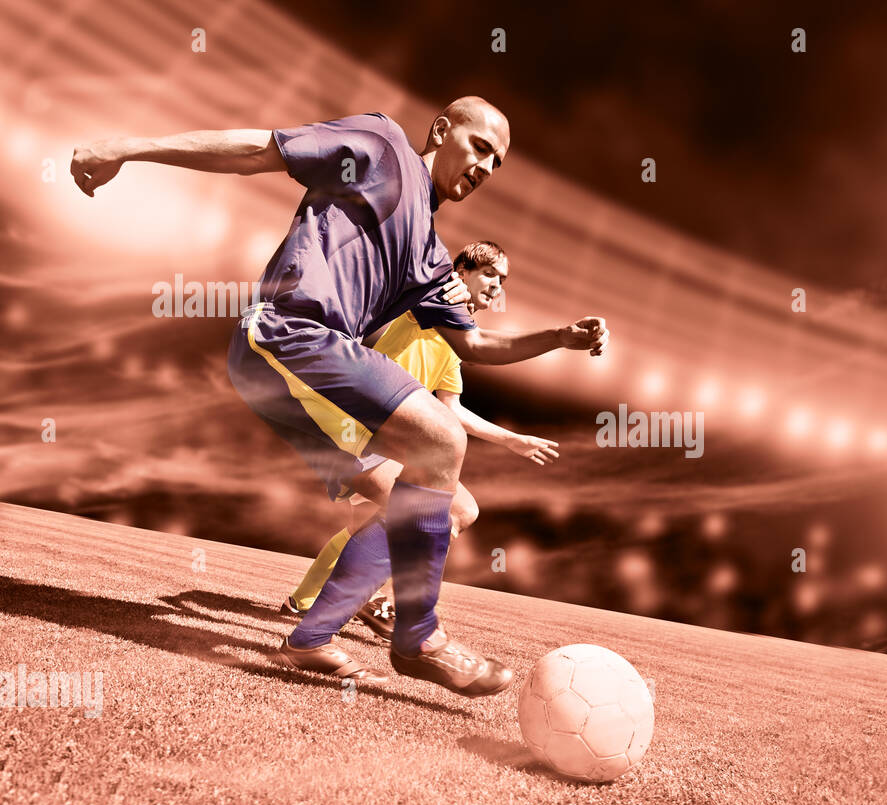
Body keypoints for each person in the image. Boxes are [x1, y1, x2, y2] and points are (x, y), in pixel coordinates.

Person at [71, 98, 607, 696]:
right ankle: (416, 635)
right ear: (440, 131)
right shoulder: (382, 145)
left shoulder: (427, 251)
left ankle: (314, 637)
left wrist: (558, 337)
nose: (485, 166)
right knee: (441, 440)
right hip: (287, 331)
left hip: (299, 362)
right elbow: (259, 150)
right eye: (480, 147)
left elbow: (476, 344)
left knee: (440, 488)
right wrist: (126, 146)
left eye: (497, 163)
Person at [283, 239, 557, 642]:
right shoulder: (431, 302)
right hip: (363, 434)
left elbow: (452, 410)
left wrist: (511, 440)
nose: (497, 285)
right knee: (453, 510)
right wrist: (444, 283)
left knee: (365, 530)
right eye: (489, 274)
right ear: (462, 272)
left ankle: (304, 603)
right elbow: (422, 285)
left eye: (503, 280)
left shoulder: (453, 343)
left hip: (383, 439)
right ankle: (387, 602)